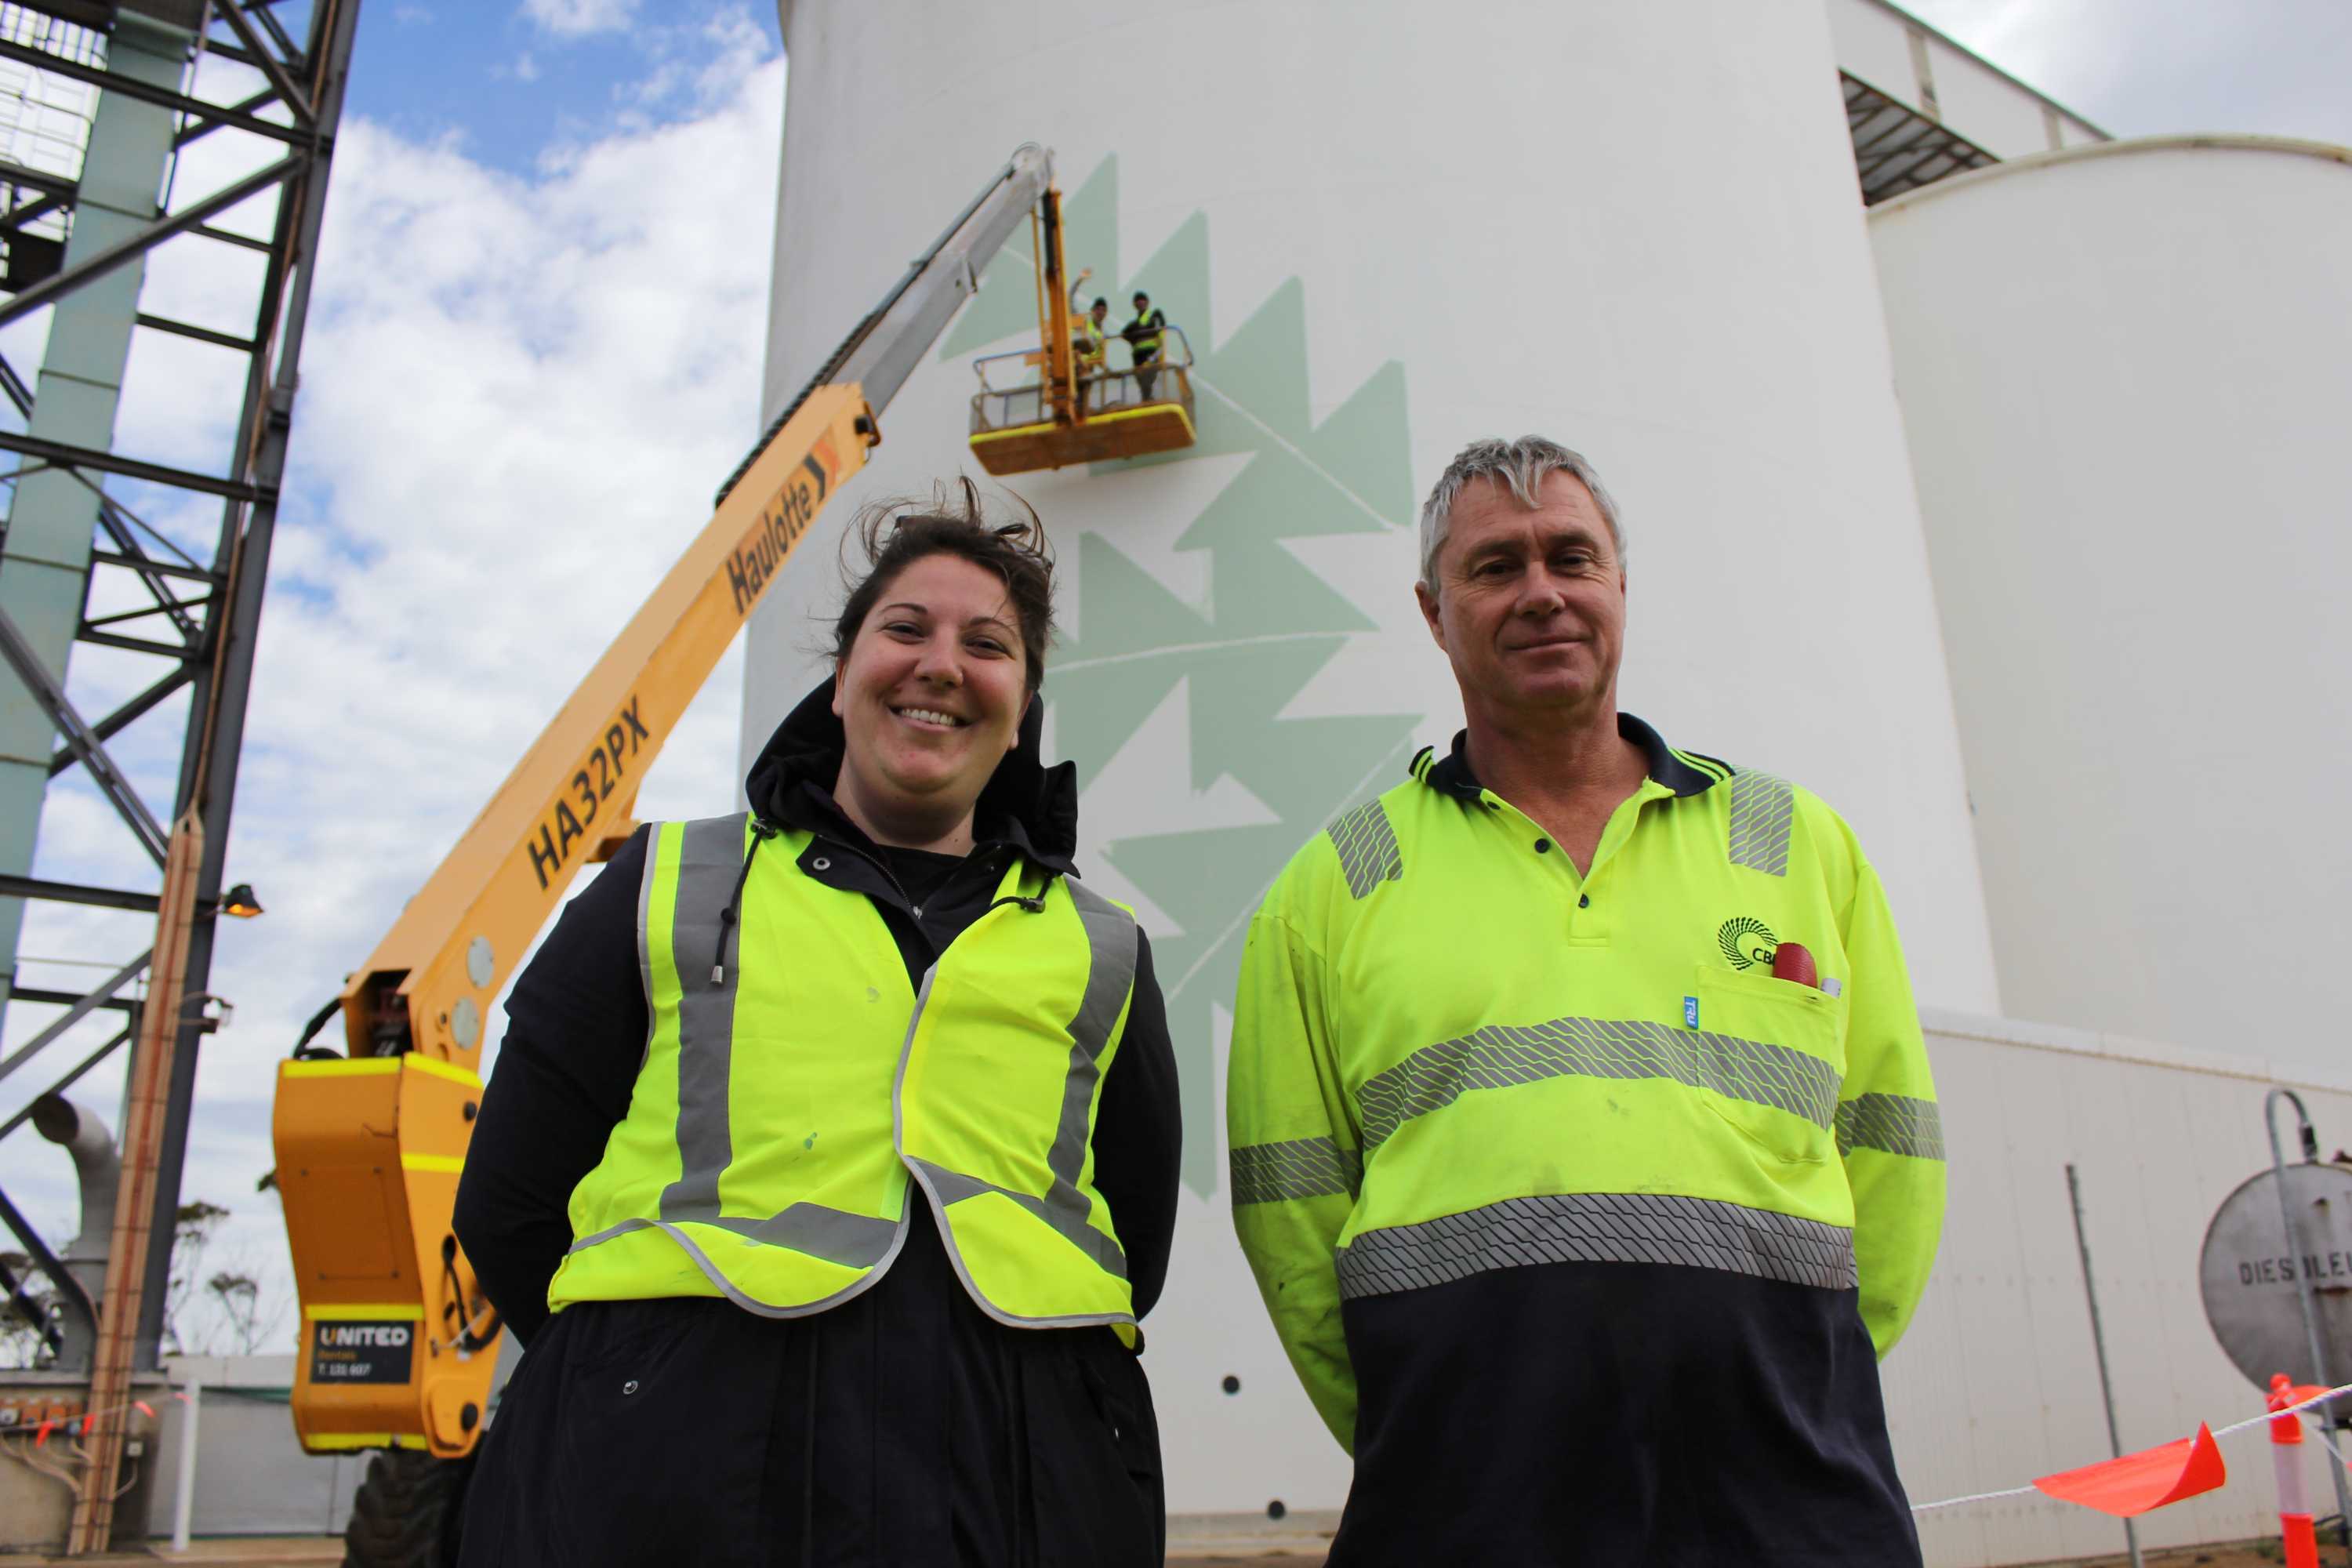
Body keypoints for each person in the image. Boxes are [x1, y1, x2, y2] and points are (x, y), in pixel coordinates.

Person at [1225, 437, 1944, 1566]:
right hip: (1463, 1502)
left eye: (1573, 557)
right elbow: (1290, 1210)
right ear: (1433, 610)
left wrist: (1812, 1381)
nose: (1543, 593)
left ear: (1619, 585)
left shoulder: (1800, 847)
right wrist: (1417, 1424)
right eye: (1496, 567)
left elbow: (1893, 1150)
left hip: (1793, 1492)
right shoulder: (1336, 887)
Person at [453, 482, 1181, 1567]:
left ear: (1022, 708)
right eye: (905, 628)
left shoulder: (1103, 947)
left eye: (989, 645)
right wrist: (644, 1383)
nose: (941, 663)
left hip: (1021, 1485)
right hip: (682, 1484)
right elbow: (512, 1200)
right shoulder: (666, 885)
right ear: (840, 681)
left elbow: (1133, 1243)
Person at [1121, 292, 1166, 402]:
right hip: (1138, 357)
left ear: (1147, 302)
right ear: (1135, 304)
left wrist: (1156, 355)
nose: (1140, 302)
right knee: (1143, 383)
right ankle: (1147, 399)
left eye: (1142, 300)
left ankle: (1147, 400)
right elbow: (1124, 334)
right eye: (1138, 301)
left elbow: (1161, 334)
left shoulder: (1154, 316)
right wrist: (1133, 340)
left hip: (1150, 354)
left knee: (1148, 380)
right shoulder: (1134, 324)